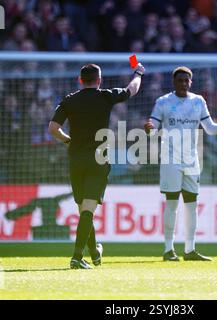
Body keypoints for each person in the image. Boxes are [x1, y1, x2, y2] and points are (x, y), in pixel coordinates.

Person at [48, 62, 145, 269]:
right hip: (98, 159)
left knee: (84, 210)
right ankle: (76, 257)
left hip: (76, 159)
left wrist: (68, 140)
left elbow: (53, 128)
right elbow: (132, 90)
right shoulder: (105, 95)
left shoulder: (69, 100)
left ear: (80, 80)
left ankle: (94, 252)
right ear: (99, 80)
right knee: (88, 211)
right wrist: (137, 73)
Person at [144, 66, 217, 262]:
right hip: (170, 159)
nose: (183, 84)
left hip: (191, 159)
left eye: (186, 81)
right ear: (174, 83)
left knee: (192, 205)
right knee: (172, 204)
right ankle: (168, 249)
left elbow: (210, 129)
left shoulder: (198, 101)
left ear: (191, 82)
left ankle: (190, 249)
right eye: (179, 80)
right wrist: (149, 129)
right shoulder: (163, 102)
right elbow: (153, 128)